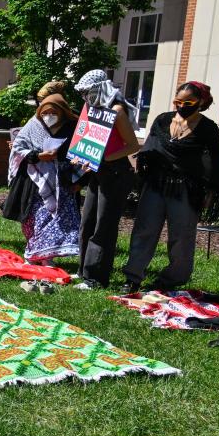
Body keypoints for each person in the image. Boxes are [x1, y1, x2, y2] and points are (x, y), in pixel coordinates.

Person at [122, 81, 219, 293]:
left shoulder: (208, 128)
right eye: (178, 101)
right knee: (144, 231)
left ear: (201, 102)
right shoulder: (162, 120)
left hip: (186, 190)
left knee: (181, 236)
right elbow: (149, 148)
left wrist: (211, 191)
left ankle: (172, 280)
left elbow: (216, 161)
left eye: (188, 102)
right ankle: (133, 277)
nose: (181, 106)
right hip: (156, 185)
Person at [71, 69, 142, 289]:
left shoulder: (117, 111)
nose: (85, 97)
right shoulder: (92, 108)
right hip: (97, 170)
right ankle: (84, 271)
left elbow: (132, 145)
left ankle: (96, 278)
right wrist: (82, 155)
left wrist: (105, 158)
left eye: (87, 92)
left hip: (115, 172)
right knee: (88, 221)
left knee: (104, 225)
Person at [8, 82, 82, 265]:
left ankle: (46, 256)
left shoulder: (74, 127)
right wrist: (40, 156)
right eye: (45, 112)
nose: (48, 117)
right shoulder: (33, 125)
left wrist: (80, 178)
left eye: (54, 113)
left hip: (63, 181)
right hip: (34, 182)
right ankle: (35, 253)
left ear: (63, 112)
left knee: (53, 220)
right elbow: (18, 148)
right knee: (33, 220)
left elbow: (82, 154)